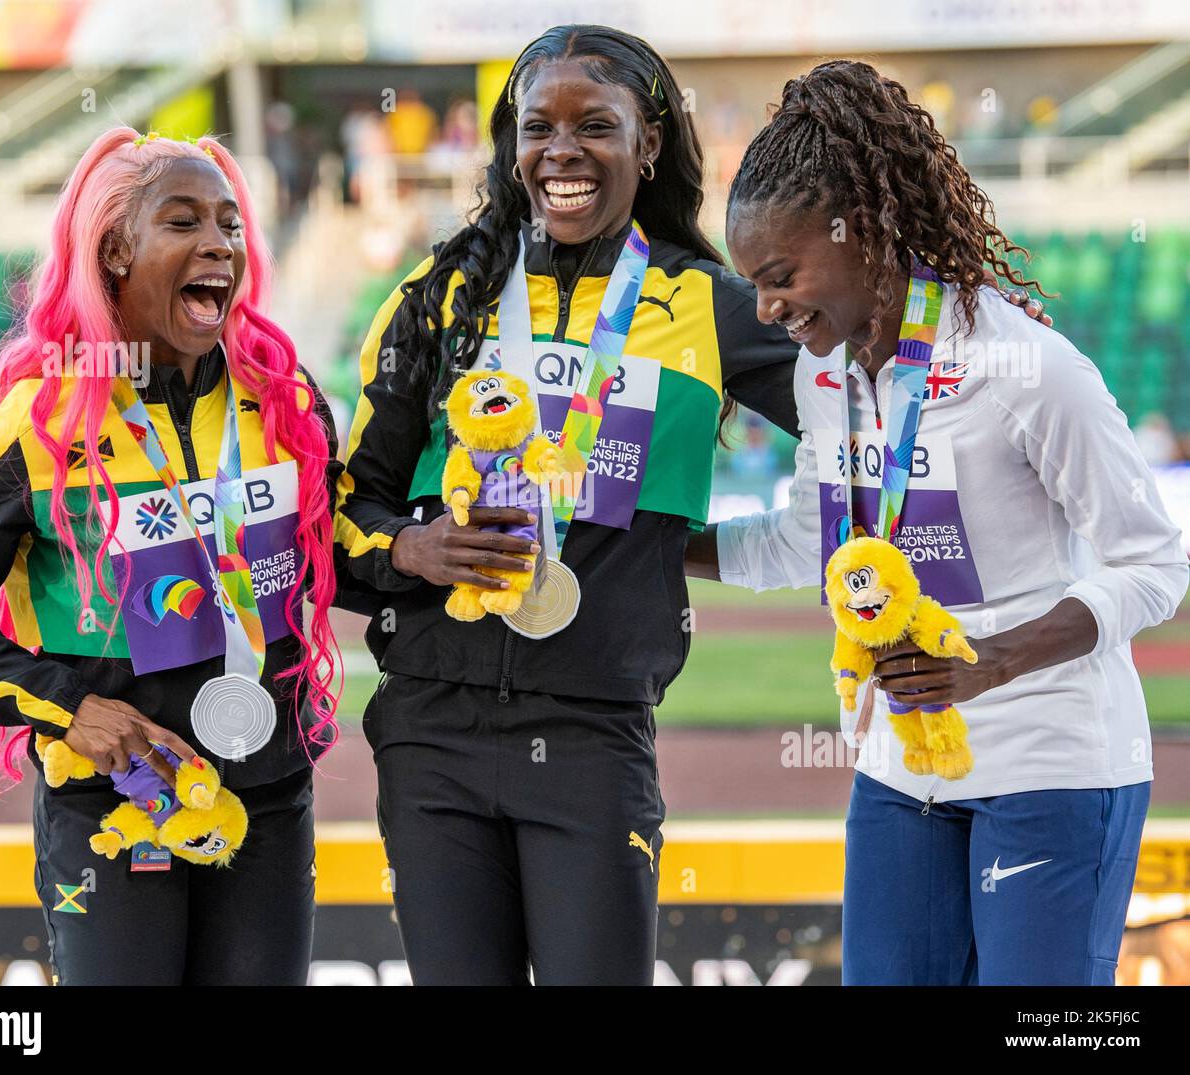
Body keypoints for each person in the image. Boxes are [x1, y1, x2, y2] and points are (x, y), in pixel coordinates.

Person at [335, 27, 1051, 986]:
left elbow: (878, 392)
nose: (563, 151)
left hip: (594, 734)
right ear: (511, 145)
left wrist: (1000, 354)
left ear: (651, 143)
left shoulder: (712, 307)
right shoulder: (438, 302)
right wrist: (417, 550)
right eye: (537, 126)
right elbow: (341, 521)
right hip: (430, 731)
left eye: (597, 125)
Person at [688, 60, 1189, 985]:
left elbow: (1155, 563)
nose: (764, 310)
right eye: (753, 284)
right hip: (902, 770)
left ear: (867, 230)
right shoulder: (824, 371)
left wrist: (989, 661)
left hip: (1052, 765)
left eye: (782, 276)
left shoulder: (1025, 367)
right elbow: (811, 541)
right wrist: (661, 547)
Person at [0, 128, 342, 986]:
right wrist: (73, 711)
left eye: (230, 223)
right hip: (114, 803)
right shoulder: (43, 421)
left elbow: (341, 548)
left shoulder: (280, 398)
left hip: (267, 797)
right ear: (114, 254)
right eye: (183, 221)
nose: (219, 242)